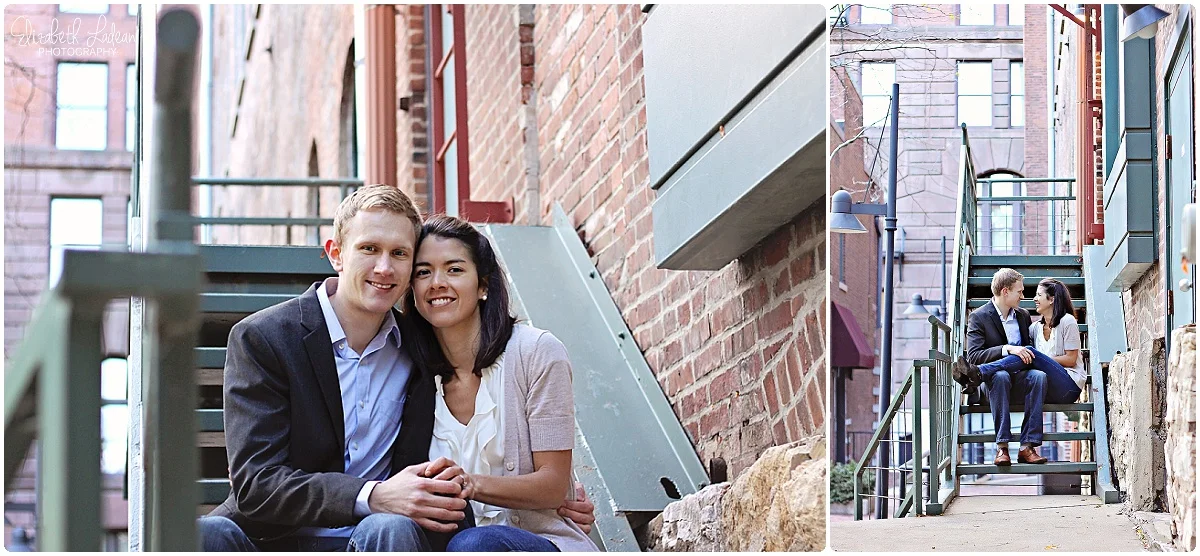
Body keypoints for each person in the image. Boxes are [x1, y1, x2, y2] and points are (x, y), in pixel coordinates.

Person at [198, 185, 595, 551]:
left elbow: (510, 463)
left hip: (380, 533)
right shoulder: (264, 338)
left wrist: (557, 495)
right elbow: (256, 483)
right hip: (278, 530)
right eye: (369, 249)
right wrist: (372, 494)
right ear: (336, 253)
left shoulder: (419, 349)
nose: (385, 268)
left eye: (400, 254)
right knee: (205, 534)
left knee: (391, 528)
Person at [400, 215, 599, 552]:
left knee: (477, 543)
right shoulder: (406, 371)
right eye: (423, 272)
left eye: (454, 269)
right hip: (446, 543)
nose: (437, 282)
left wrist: (470, 483)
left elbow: (552, 485)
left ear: (484, 285)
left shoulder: (535, 352)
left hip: (535, 542)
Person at [952, 268, 1057, 466]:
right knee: (1000, 376)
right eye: (1019, 291)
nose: (1023, 296)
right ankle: (1002, 447)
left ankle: (1027, 447)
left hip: (1019, 378)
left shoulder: (1023, 316)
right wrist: (1007, 349)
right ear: (1005, 291)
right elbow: (974, 356)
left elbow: (1028, 353)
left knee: (1039, 376)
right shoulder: (979, 317)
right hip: (993, 385)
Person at [1030, 278, 1086, 402]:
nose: (1035, 299)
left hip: (1069, 386)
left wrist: (1042, 360)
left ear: (1051, 299)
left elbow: (1071, 359)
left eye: (1039, 295)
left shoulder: (1067, 321)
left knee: (1029, 352)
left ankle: (985, 371)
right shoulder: (1034, 328)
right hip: (1046, 385)